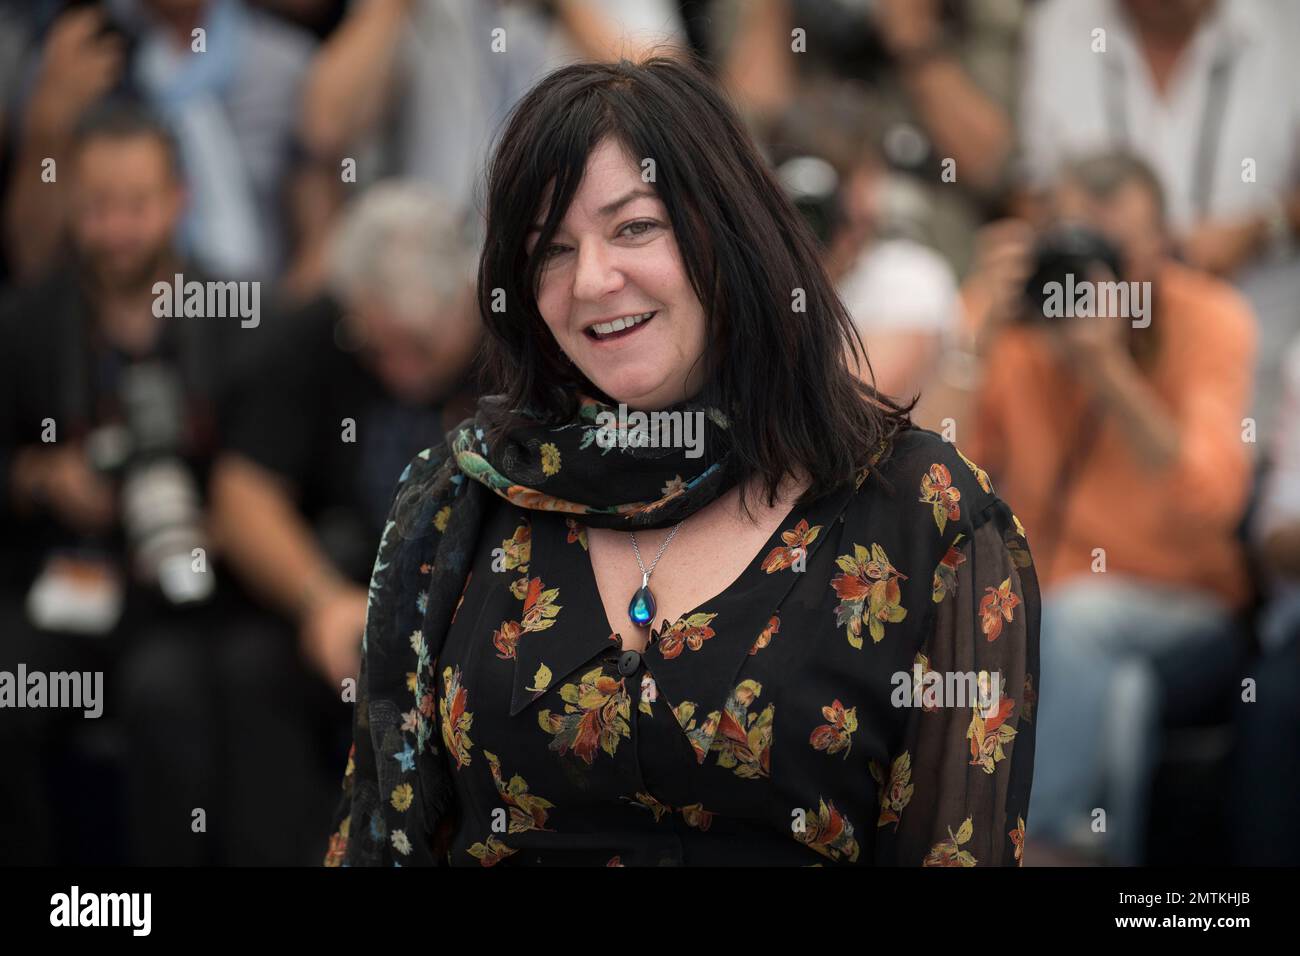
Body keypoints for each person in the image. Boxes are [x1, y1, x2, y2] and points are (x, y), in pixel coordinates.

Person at [322, 55, 1039, 867]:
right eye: (550, 249)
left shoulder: (925, 513)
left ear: (731, 233)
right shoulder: (464, 498)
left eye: (635, 228)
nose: (592, 280)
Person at [919, 151, 1257, 864]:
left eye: (1115, 255)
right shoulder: (1019, 318)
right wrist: (974, 336)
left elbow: (1216, 504)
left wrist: (1108, 370)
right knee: (1118, 693)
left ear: (1161, 249)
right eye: (1075, 250)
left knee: (1077, 620)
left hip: (1186, 604)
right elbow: (929, 488)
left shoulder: (1210, 318)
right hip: (1050, 612)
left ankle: (1036, 843)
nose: (1091, 282)